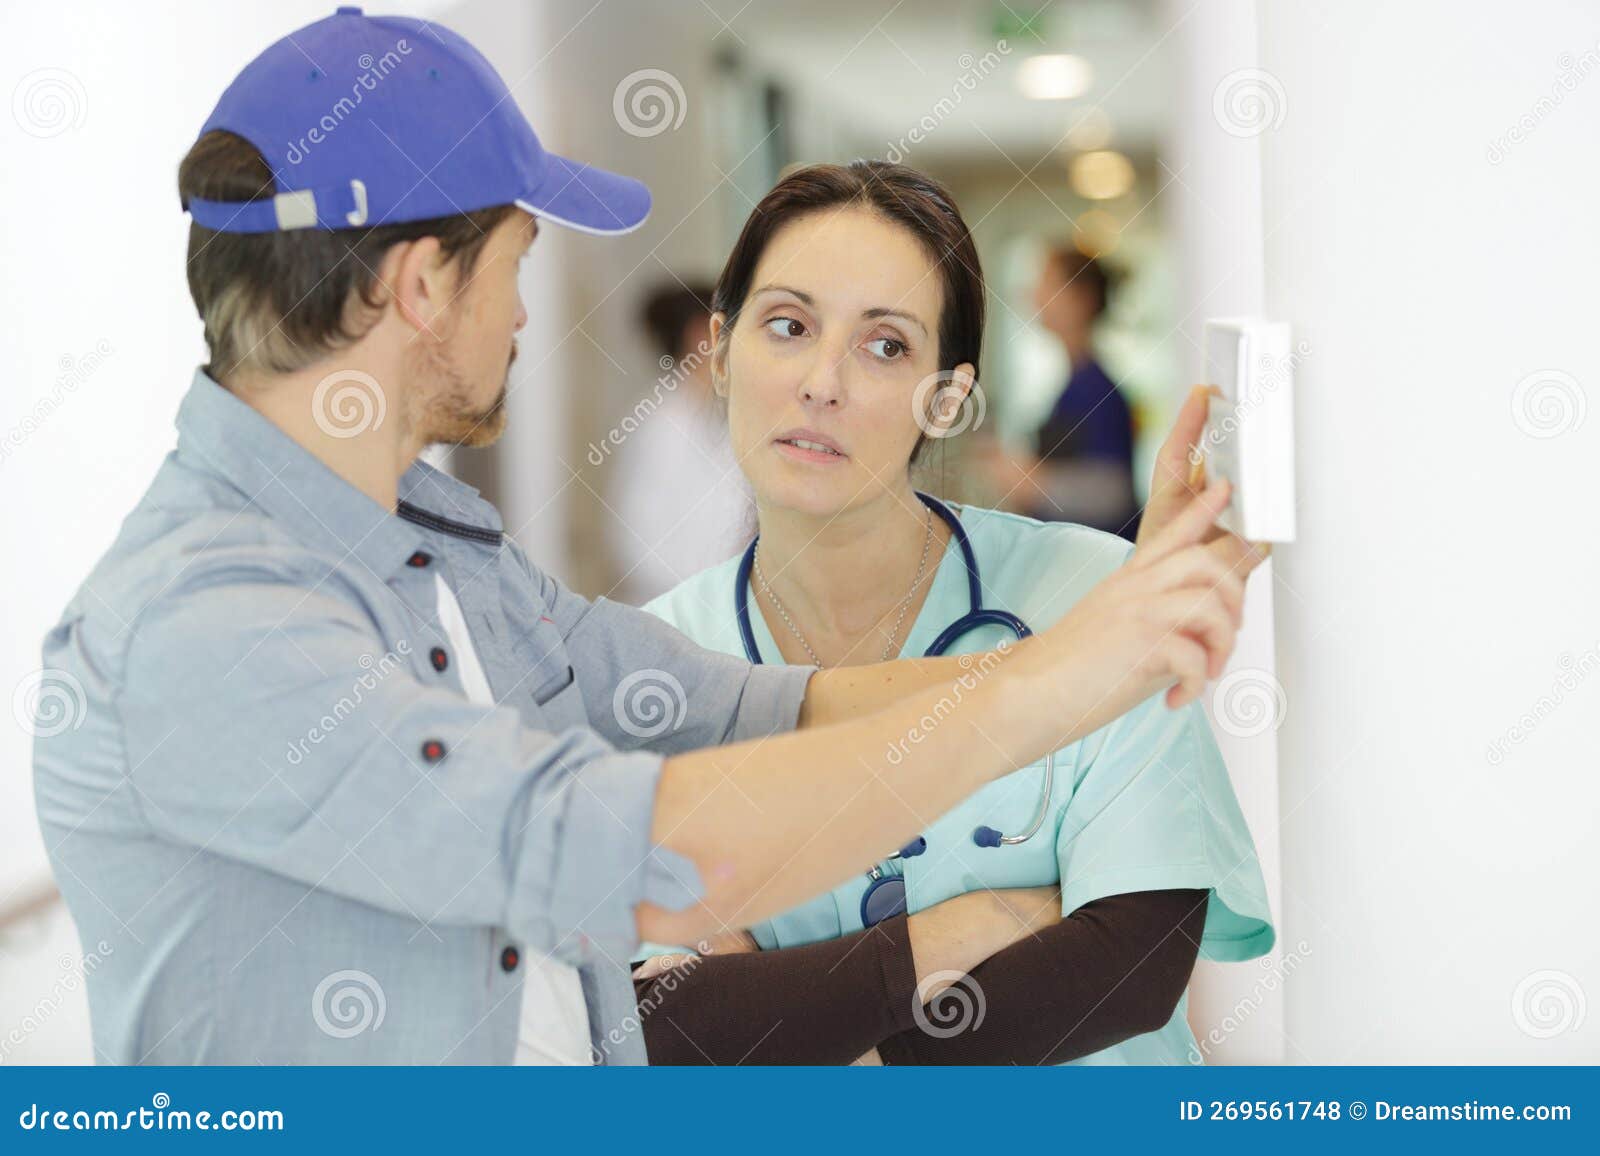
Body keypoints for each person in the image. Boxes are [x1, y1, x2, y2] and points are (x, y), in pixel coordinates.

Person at [30, 10, 1257, 1067]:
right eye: (514, 262)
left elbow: (753, 713)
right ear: (416, 288)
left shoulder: (439, 550)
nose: (523, 311)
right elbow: (647, 854)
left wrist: (1103, 637)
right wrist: (1040, 725)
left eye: (884, 343)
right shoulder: (204, 625)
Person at [632, 162, 1273, 1065]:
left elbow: (1131, 961)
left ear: (947, 397)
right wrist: (980, 926)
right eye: (787, 326)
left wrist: (804, 1016)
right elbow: (675, 1029)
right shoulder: (655, 665)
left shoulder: (1099, 597)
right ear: (723, 348)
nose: (823, 382)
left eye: (886, 345)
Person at [980, 247, 1141, 538]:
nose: (1034, 296)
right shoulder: (1073, 384)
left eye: (1047, 282)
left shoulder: (1098, 391)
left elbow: (1112, 494)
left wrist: (1029, 483)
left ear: (1081, 299)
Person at [607, 281, 751, 603]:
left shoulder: (720, 415)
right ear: (699, 336)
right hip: (678, 611)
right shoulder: (661, 427)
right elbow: (638, 543)